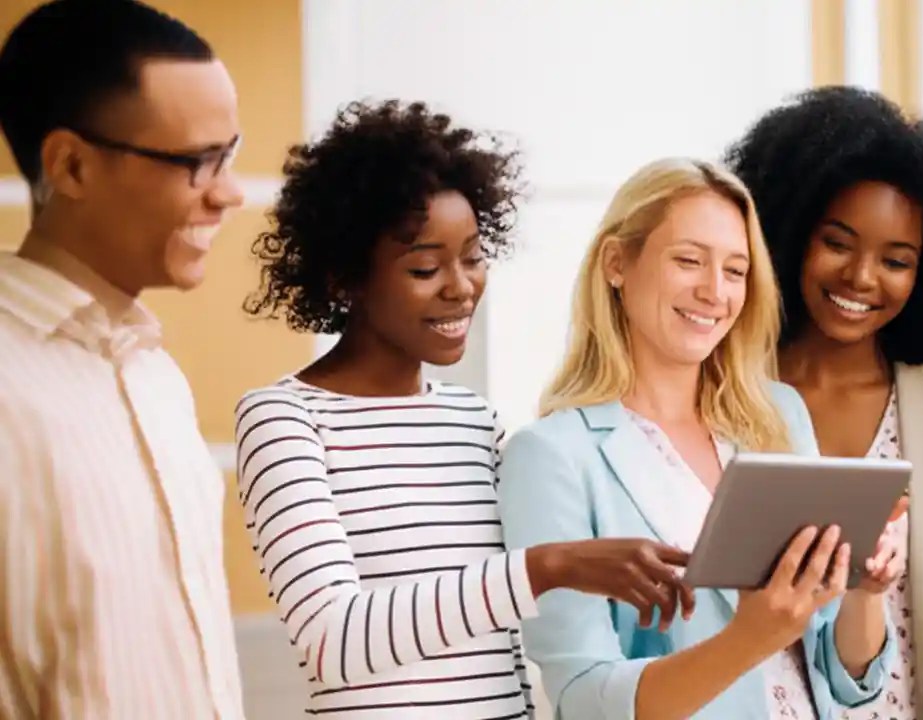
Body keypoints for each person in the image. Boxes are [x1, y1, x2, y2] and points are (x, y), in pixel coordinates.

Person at [234, 100, 695, 719]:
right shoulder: (284, 420)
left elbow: (502, 640)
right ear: (345, 277)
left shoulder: (473, 420)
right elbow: (332, 640)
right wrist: (550, 566)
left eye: (474, 256)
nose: (461, 286)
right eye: (424, 267)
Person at [497, 157, 906, 719]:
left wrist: (866, 587)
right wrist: (751, 637)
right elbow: (585, 700)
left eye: (736, 271)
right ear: (617, 263)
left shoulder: (777, 416)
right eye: (689, 261)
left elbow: (847, 679)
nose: (715, 292)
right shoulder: (549, 457)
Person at [726, 86, 923, 720]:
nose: (862, 278)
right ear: (789, 233)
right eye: (837, 243)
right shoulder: (722, 385)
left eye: (896, 259)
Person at [0, 2, 246, 718]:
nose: (227, 192)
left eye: (229, 156)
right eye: (197, 162)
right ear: (70, 165)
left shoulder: (152, 373)